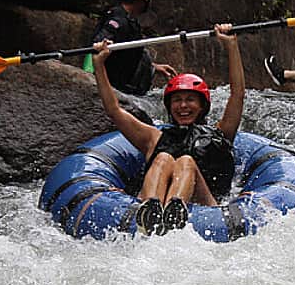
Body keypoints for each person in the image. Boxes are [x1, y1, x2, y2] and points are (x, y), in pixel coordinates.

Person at [92, 23, 244, 235]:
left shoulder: (221, 133)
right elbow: (114, 110)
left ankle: (174, 212)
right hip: (154, 202)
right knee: (163, 158)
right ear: (169, 106)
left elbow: (237, 94)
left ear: (202, 106)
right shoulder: (153, 137)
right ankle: (151, 212)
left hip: (205, 207)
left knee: (186, 161)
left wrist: (231, 46)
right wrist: (99, 65)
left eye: (190, 100)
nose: (183, 106)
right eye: (177, 100)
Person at [84, 0, 176, 95]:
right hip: (114, 90)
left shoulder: (128, 20)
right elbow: (95, 48)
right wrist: (90, 80)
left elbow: (124, 56)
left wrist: (153, 66)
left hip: (125, 88)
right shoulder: (117, 21)